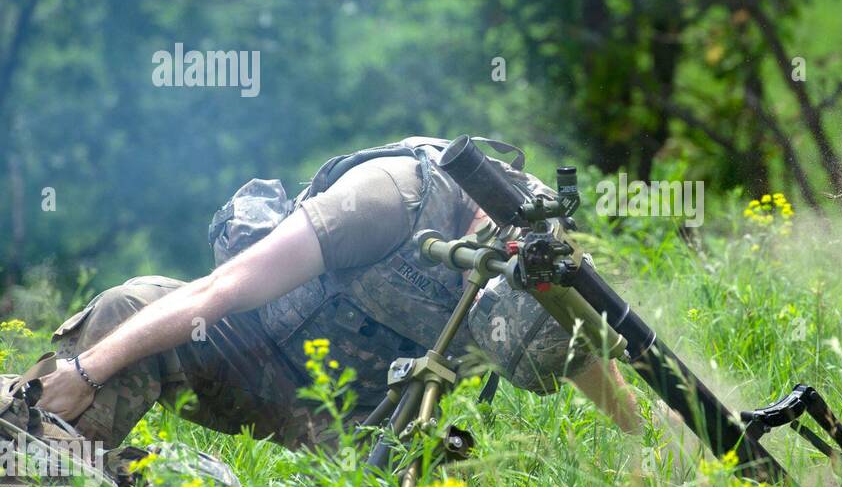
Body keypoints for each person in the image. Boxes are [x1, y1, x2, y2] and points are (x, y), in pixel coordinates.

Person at [27, 136, 642, 456]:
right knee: (126, 310)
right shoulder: (386, 199)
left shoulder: (534, 273)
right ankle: (48, 476)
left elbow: (605, 383)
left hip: (359, 422)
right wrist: (86, 370)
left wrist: (666, 447)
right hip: (246, 353)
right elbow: (220, 290)